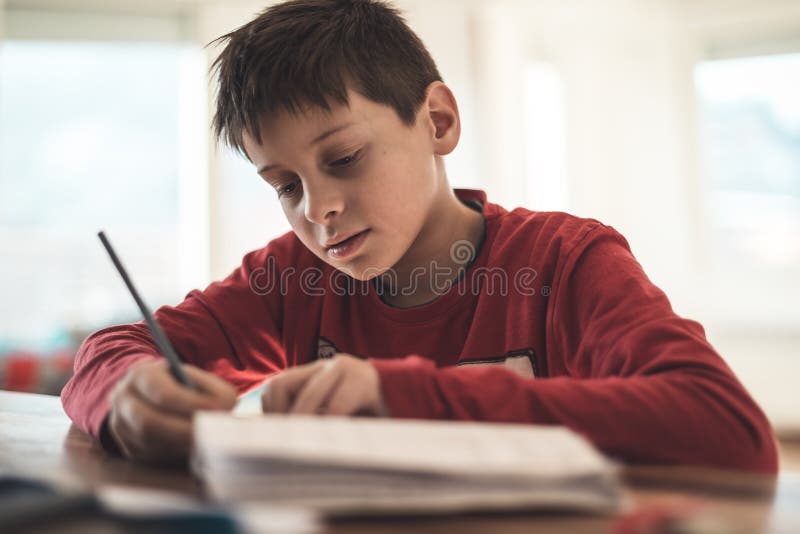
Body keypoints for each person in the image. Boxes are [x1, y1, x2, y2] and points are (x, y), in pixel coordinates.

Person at [61, 0, 778, 472]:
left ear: (436, 122)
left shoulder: (563, 263)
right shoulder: (289, 278)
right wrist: (129, 393)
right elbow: (106, 352)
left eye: (343, 159)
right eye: (284, 185)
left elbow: (728, 431)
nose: (319, 209)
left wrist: (400, 400)